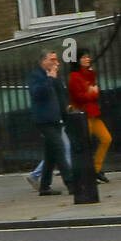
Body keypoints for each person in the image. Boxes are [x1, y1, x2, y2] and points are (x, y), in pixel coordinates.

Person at [26, 49, 75, 196]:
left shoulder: (53, 76)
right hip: (43, 120)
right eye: (52, 59)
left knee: (50, 155)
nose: (55, 62)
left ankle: (44, 186)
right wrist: (50, 78)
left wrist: (66, 111)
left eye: (56, 59)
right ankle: (71, 183)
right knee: (59, 149)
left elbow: (60, 95)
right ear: (43, 61)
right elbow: (38, 93)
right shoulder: (36, 76)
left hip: (55, 119)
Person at [68, 49, 111, 184]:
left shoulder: (90, 74)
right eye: (84, 57)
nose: (88, 59)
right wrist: (91, 93)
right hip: (84, 114)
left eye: (88, 57)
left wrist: (91, 92)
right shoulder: (75, 76)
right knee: (84, 145)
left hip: (94, 113)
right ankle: (86, 172)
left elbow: (95, 92)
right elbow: (78, 96)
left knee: (106, 138)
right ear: (78, 60)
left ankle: (96, 169)